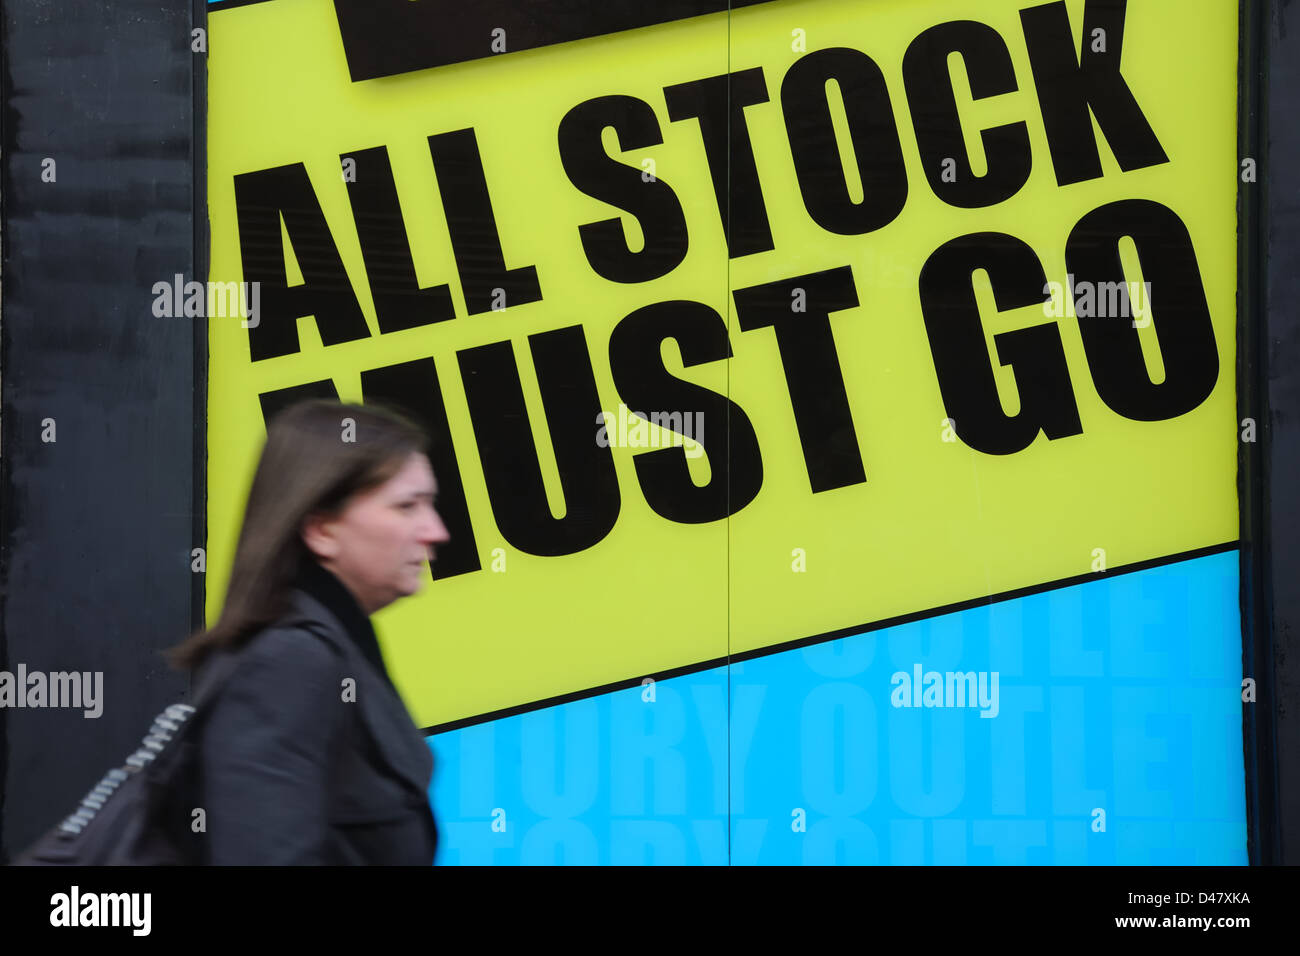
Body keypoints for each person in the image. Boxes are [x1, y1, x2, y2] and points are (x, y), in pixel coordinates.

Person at [167, 398, 451, 864]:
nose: (435, 531)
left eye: (429, 504)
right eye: (406, 506)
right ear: (321, 530)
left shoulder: (325, 645)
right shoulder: (286, 663)